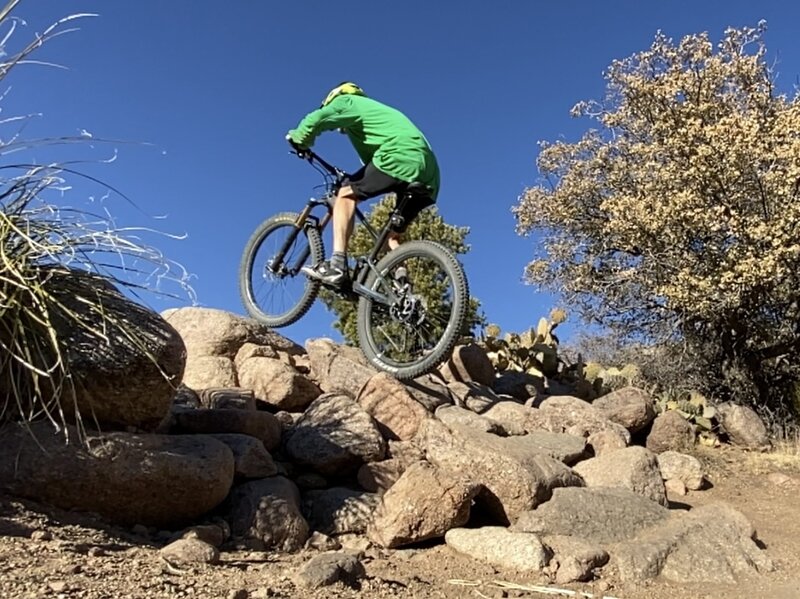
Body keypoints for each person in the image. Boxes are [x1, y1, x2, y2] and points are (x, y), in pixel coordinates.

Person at [287, 82, 440, 287]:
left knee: (345, 194)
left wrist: (299, 138)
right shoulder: (375, 117)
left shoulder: (349, 101)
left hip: (400, 154)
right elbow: (372, 167)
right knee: (391, 236)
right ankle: (402, 284)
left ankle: (337, 265)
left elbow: (318, 118)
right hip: (429, 173)